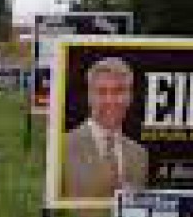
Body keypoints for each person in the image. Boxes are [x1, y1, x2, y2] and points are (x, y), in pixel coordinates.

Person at [63, 57, 149, 199]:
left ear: (129, 97)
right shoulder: (63, 146)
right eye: (102, 92)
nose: (111, 100)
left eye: (119, 91)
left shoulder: (140, 155)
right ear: (90, 96)